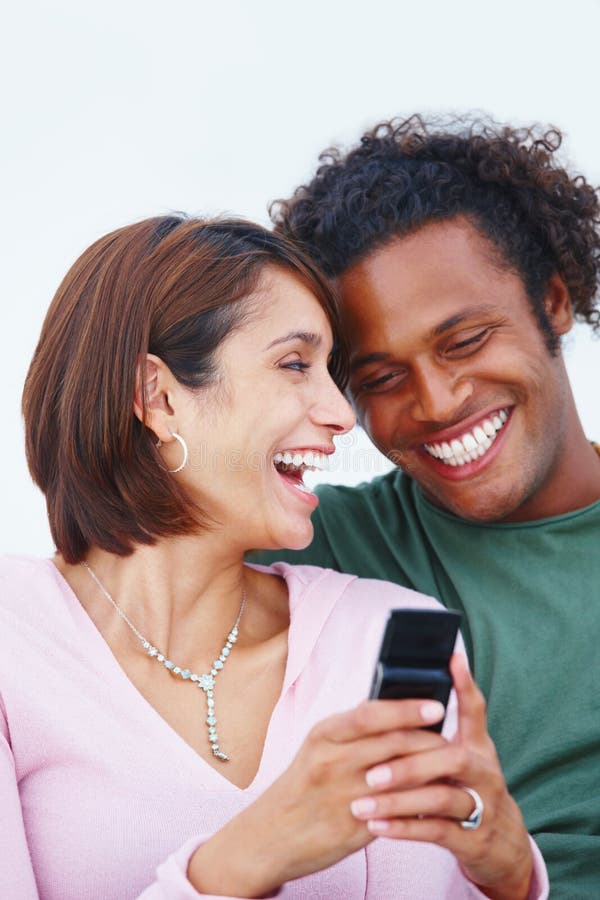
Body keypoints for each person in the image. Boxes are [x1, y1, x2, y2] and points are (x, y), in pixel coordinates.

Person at [1, 215, 547, 899]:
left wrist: (508, 875)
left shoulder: (385, 635)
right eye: (295, 364)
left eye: (332, 372)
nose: (342, 414)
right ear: (159, 397)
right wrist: (236, 864)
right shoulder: (12, 643)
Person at [252, 116, 600, 897]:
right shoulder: (313, 545)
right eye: (379, 377)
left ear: (553, 301)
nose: (437, 403)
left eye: (466, 340)